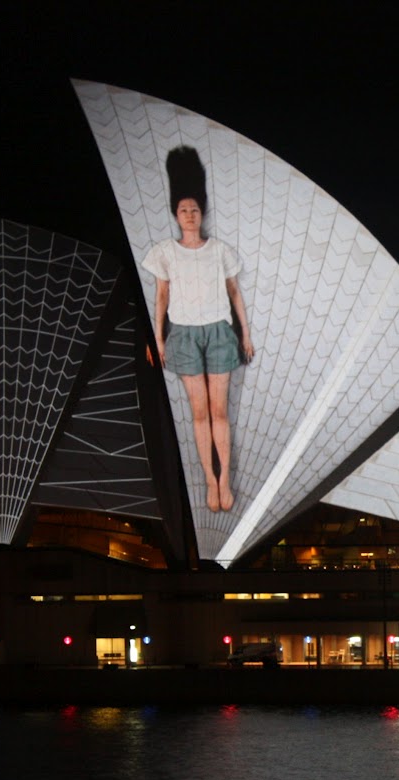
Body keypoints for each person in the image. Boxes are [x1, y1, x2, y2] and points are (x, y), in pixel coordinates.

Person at [144, 147, 254, 512]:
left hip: (220, 332)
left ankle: (226, 482)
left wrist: (245, 335)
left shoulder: (220, 249)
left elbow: (234, 291)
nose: (189, 215)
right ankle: (210, 480)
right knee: (200, 413)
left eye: (194, 209)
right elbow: (161, 296)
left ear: (201, 212)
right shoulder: (164, 252)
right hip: (184, 334)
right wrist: (157, 339)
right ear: (175, 215)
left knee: (219, 411)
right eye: (182, 210)